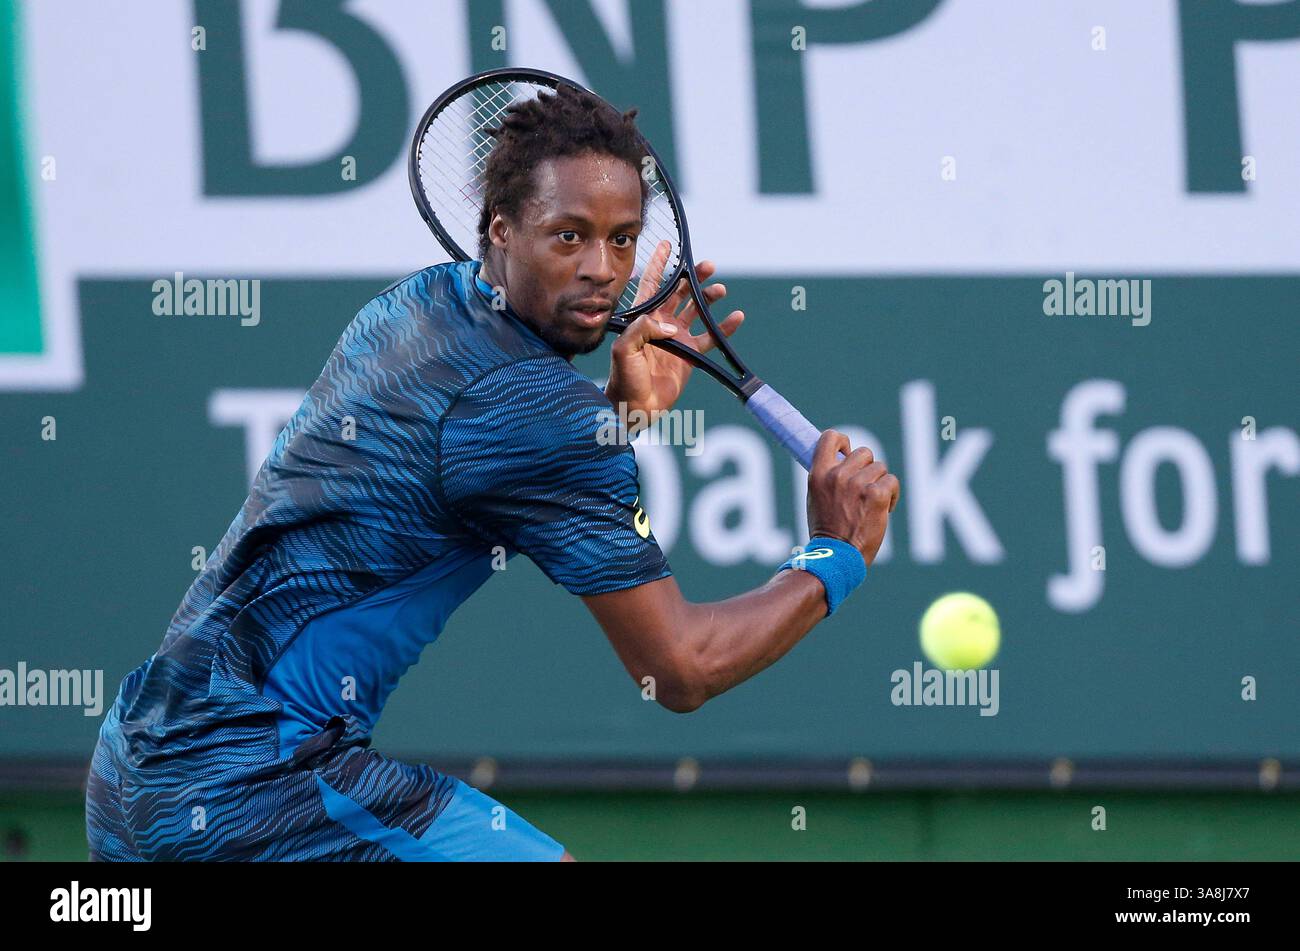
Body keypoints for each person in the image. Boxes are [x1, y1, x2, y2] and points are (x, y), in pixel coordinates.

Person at [85, 83, 898, 862]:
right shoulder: (543, 420)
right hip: (253, 783)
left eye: (622, 238)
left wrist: (608, 420)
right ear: (501, 228)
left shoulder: (414, 306)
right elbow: (680, 668)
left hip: (133, 766)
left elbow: (473, 446)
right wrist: (835, 553)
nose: (602, 270)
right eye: (569, 234)